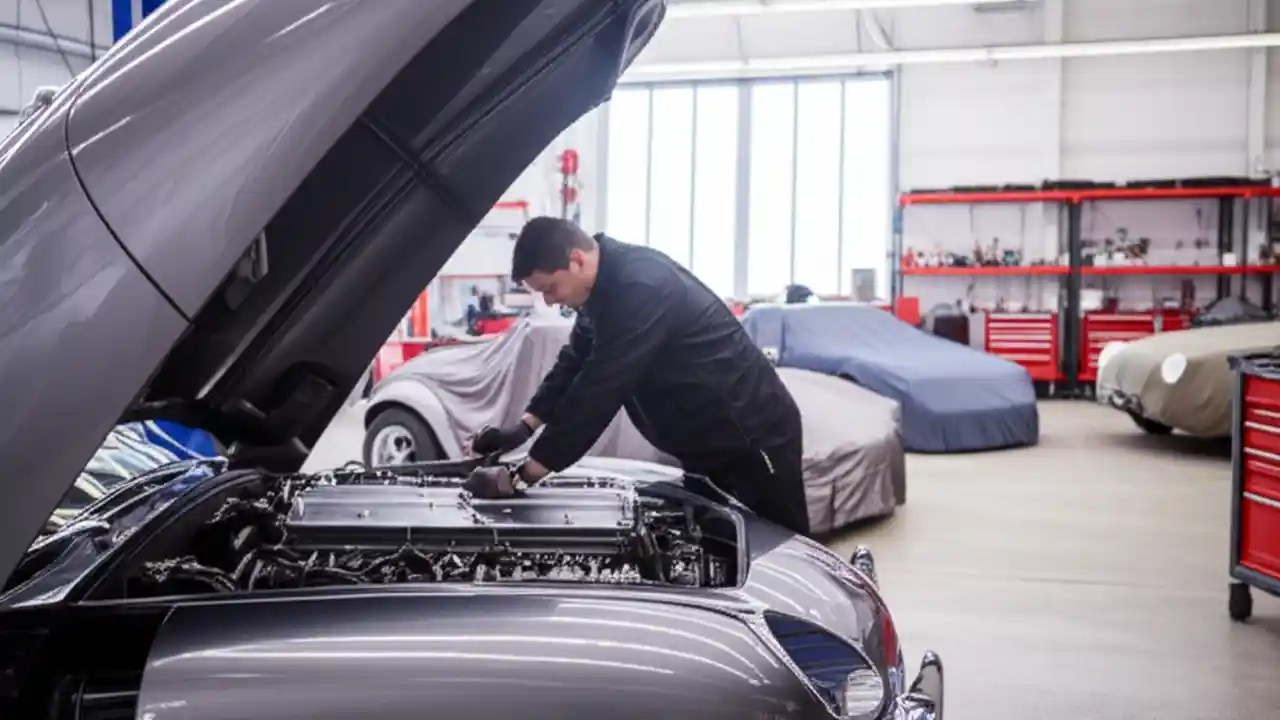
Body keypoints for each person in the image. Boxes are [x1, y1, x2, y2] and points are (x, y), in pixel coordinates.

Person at [464, 217, 809, 536]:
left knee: (781, 551)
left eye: (550, 288)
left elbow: (600, 388)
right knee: (720, 548)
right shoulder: (598, 291)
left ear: (577, 260)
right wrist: (523, 427)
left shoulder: (641, 286)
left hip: (753, 437)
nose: (550, 301)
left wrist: (524, 475)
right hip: (705, 446)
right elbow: (574, 362)